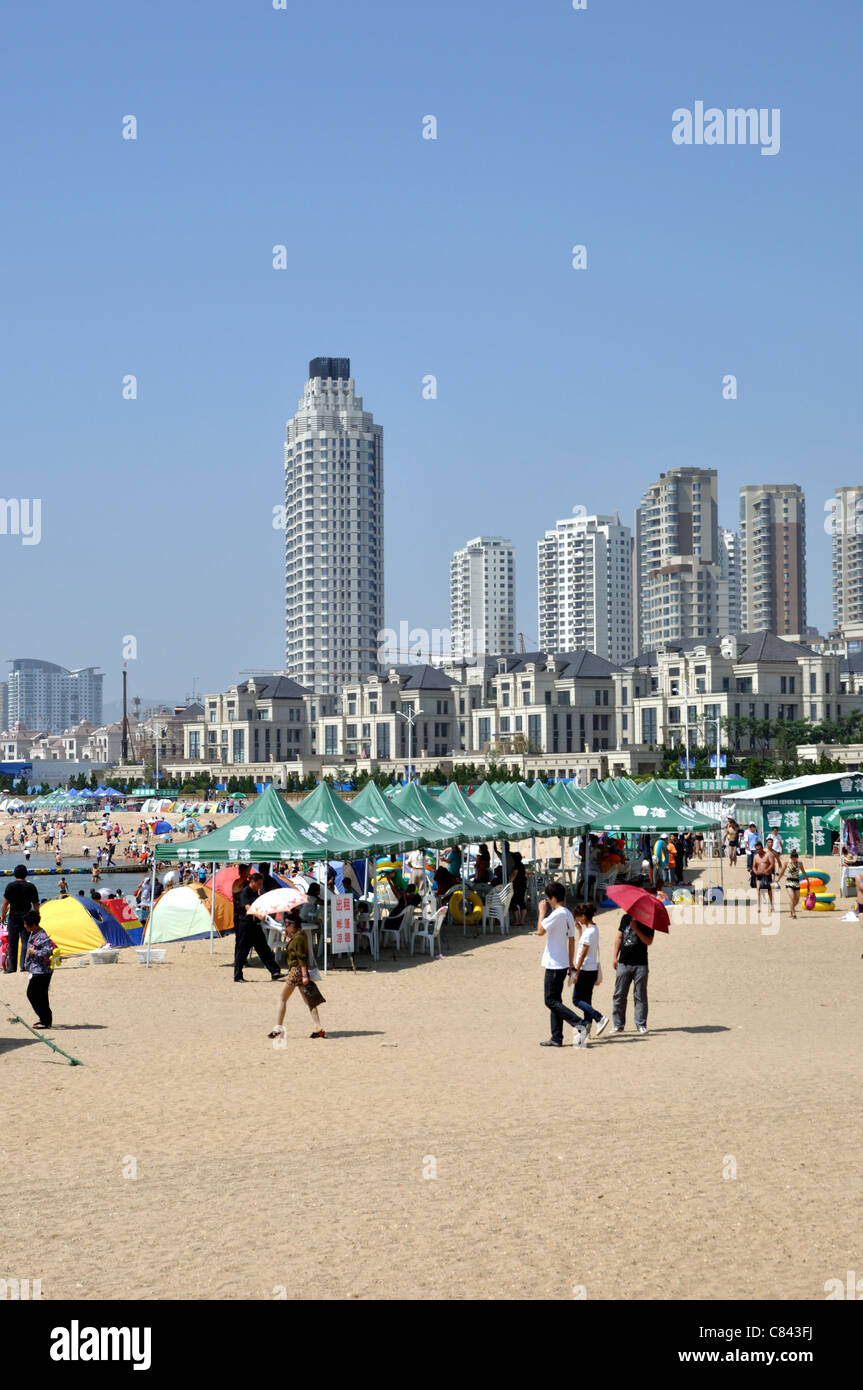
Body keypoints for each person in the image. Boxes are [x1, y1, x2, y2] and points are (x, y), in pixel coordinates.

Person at [536, 881, 583, 1047]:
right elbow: (572, 940)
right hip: (562, 962)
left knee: (550, 1000)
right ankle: (557, 1036)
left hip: (555, 963)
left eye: (549, 898)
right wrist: (571, 963)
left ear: (553, 898)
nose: (548, 901)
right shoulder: (568, 913)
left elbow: (540, 931)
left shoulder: (558, 913)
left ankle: (579, 1023)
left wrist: (541, 912)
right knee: (556, 1000)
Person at [268, 908, 326, 1040]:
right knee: (309, 1000)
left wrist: (305, 975)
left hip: (296, 971)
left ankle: (278, 1029)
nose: (286, 927)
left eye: (287, 925)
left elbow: (301, 958)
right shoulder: (300, 936)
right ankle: (318, 1027)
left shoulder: (299, 938)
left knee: (282, 998)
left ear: (293, 924)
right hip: (299, 971)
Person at [568, 902, 609, 1046]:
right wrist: (580, 930)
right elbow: (584, 947)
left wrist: (575, 972)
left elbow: (583, 954)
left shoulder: (589, 932)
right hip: (591, 970)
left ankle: (599, 1018)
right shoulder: (593, 929)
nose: (578, 920)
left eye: (579, 918)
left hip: (585, 970)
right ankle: (587, 1031)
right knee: (586, 1001)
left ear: (584, 916)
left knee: (576, 1000)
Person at [233, 870, 283, 983]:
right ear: (253, 882)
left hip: (255, 925)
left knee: (264, 948)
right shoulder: (244, 892)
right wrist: (258, 915)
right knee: (242, 951)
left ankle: (275, 972)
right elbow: (247, 907)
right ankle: (238, 976)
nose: (260, 886)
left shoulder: (256, 893)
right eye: (259, 884)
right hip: (245, 925)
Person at [611, 908, 655, 1035]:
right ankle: (618, 1025)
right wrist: (615, 957)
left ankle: (641, 1024)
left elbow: (649, 941)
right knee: (619, 994)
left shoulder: (648, 920)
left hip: (641, 964)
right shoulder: (625, 918)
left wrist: (636, 928)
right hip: (624, 962)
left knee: (640, 995)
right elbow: (619, 937)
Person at [2, 865, 40, 973]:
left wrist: (3, 916)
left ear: (15, 874)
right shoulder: (31, 886)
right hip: (26, 917)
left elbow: (5, 903)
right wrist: (38, 915)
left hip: (13, 917)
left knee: (12, 941)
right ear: (26, 874)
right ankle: (23, 966)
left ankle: (11, 968)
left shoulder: (10, 886)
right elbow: (35, 904)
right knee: (25, 941)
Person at [24, 908, 55, 1029]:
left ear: (33, 924)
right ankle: (45, 1020)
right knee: (40, 995)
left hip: (42, 971)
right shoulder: (33, 933)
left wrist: (34, 952)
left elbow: (48, 951)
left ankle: (45, 1019)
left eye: (26, 924)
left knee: (32, 994)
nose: (25, 926)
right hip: (36, 969)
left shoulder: (42, 935)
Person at [778, 849, 806, 920]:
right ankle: (793, 913)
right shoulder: (787, 863)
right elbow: (782, 872)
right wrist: (777, 880)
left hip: (796, 882)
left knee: (797, 899)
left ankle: (791, 907)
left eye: (795, 858)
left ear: (797, 858)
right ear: (791, 858)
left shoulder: (800, 863)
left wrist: (807, 881)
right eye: (793, 858)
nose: (794, 860)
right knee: (792, 897)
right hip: (789, 881)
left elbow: (803, 872)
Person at [751, 841, 775, 912]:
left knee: (769, 891)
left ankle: (772, 906)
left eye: (759, 849)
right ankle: (759, 907)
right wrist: (755, 871)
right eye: (757, 849)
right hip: (759, 875)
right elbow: (754, 866)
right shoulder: (755, 857)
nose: (758, 851)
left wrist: (767, 870)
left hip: (767, 874)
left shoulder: (768, 855)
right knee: (758, 890)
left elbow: (772, 864)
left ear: (762, 848)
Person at [509, 851, 527, 926]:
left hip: (517, 886)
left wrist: (509, 881)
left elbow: (514, 874)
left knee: (513, 902)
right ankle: (522, 921)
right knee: (522, 902)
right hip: (523, 885)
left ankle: (516, 921)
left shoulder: (517, 865)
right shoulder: (522, 865)